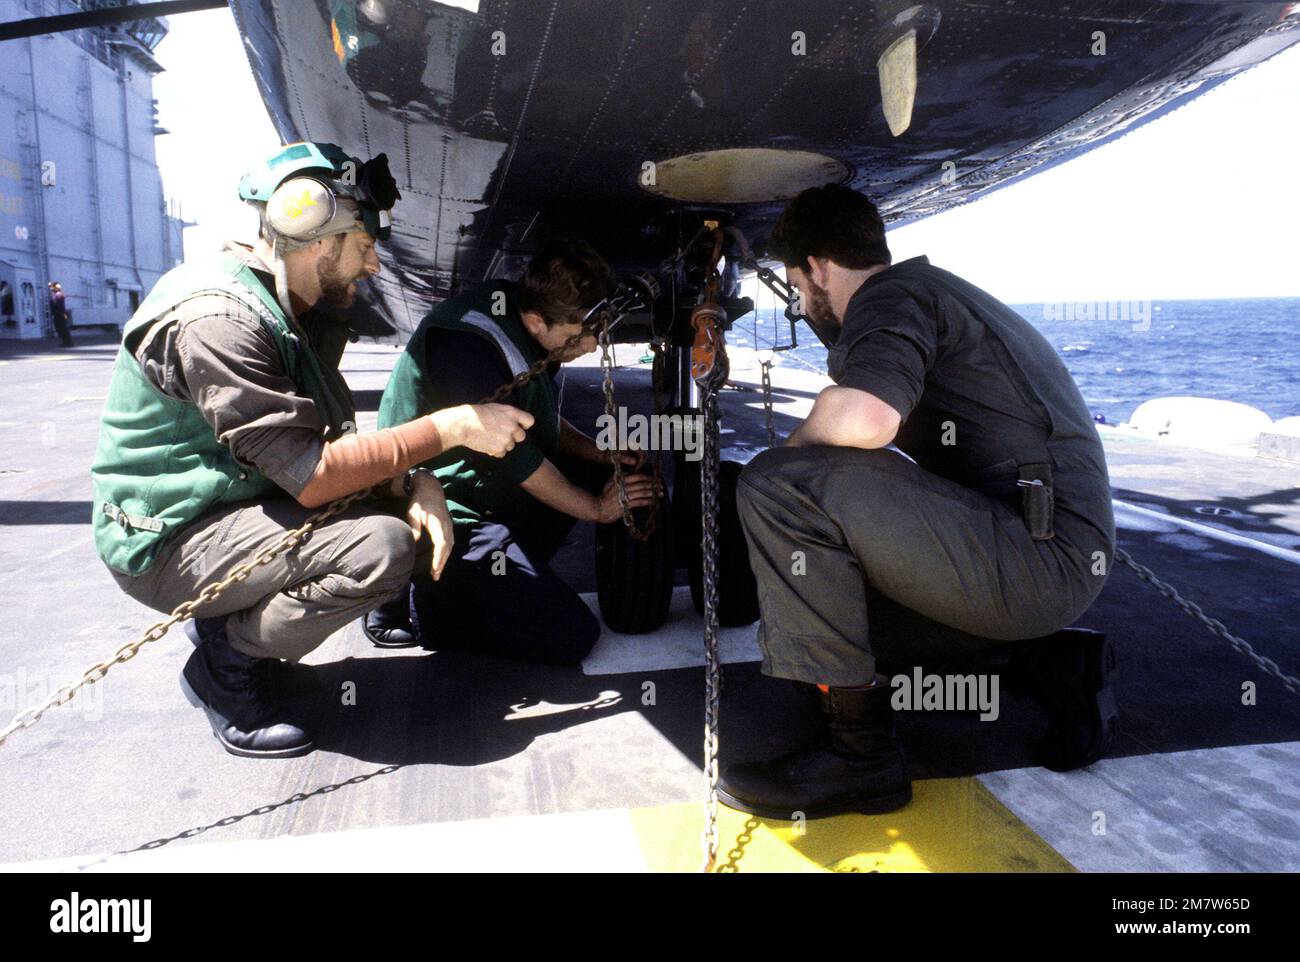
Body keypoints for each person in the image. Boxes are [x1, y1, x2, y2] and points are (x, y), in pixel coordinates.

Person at [90, 142, 532, 759]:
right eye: (364, 247)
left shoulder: (291, 309)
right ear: (316, 236)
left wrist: (416, 481)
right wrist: (451, 427)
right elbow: (314, 475)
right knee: (381, 548)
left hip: (223, 509)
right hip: (165, 539)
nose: (374, 266)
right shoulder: (219, 320)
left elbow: (321, 442)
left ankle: (235, 633)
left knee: (377, 522)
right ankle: (227, 672)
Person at [716, 185, 1118, 820]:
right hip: (1045, 552)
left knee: (776, 482)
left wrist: (790, 457)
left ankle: (861, 760)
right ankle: (1048, 662)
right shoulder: (934, 291)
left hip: (1038, 559)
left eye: (796, 285)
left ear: (819, 266)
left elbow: (866, 418)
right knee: (827, 630)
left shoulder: (890, 297)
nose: (799, 303)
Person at [366, 240, 657, 664]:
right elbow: (517, 457)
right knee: (570, 635)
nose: (592, 347)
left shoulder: (523, 313)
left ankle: (503, 577)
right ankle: (424, 599)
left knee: (610, 473)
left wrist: (598, 453)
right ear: (538, 323)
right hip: (442, 507)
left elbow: (535, 417)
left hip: (489, 488)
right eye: (581, 336)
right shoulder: (468, 348)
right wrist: (595, 508)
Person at [48, 281, 73, 347]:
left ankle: (67, 342)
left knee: (62, 328)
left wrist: (62, 314)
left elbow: (59, 305)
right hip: (59, 314)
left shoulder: (58, 295)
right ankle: (66, 342)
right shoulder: (57, 294)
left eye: (52, 287)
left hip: (60, 314)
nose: (51, 289)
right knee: (61, 328)